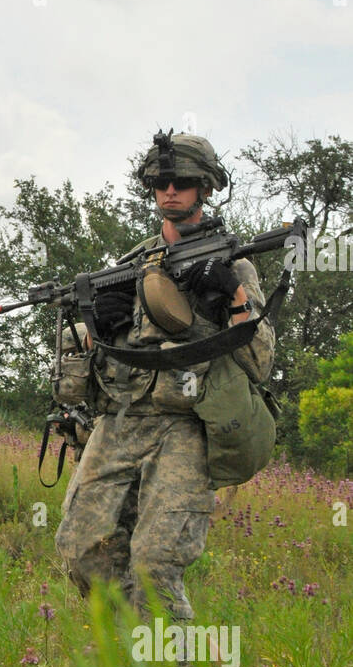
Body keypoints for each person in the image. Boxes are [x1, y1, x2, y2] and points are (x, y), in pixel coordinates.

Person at [54, 131, 275, 620]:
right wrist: (99, 324)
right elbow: (97, 353)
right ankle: (125, 655)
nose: (169, 191)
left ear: (206, 188)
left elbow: (260, 361)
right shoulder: (134, 264)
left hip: (185, 426)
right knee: (81, 549)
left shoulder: (232, 262)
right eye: (159, 182)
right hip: (120, 420)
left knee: (156, 563)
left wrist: (231, 297)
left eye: (182, 181)